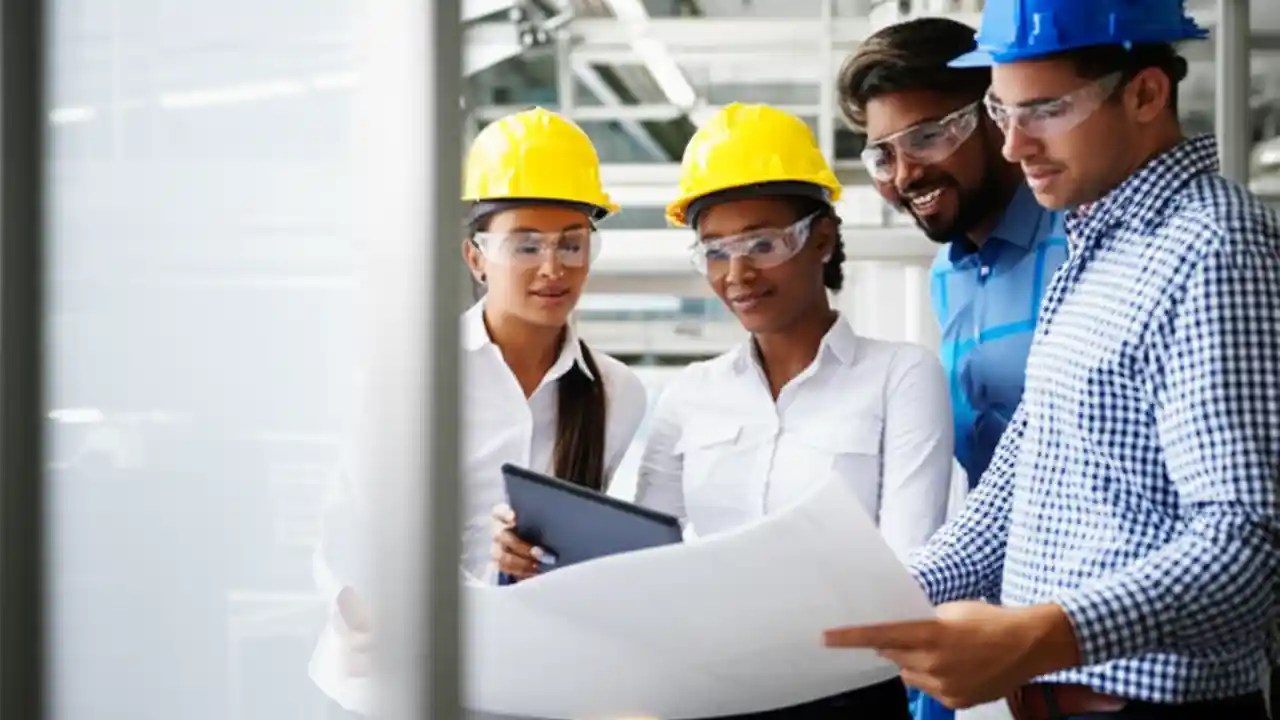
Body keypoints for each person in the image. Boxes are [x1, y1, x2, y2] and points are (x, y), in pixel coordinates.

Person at [823, 2, 1279, 719]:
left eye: (1043, 111)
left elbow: (1248, 545)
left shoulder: (1215, 248)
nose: (1012, 147)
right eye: (1003, 114)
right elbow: (1014, 491)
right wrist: (878, 609)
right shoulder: (1091, 250)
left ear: (1146, 94)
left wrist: (1042, 636)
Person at [502, 102, 952, 719]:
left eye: (763, 243)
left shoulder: (900, 375)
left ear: (821, 238)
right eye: (714, 250)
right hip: (709, 695)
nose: (737, 273)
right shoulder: (690, 394)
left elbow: (907, 570)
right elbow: (642, 564)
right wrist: (540, 554)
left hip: (847, 696)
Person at [309, 107, 648, 714]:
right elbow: (347, 521)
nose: (554, 267)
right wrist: (362, 608)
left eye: (573, 243)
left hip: (525, 684)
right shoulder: (409, 375)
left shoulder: (615, 393)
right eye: (527, 245)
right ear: (475, 258)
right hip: (397, 681)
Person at [837, 17, 1070, 720]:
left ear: (995, 115)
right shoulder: (949, 274)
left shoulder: (1077, 240)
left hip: (1107, 632)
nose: (906, 173)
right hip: (1009, 622)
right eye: (884, 154)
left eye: (930, 135)